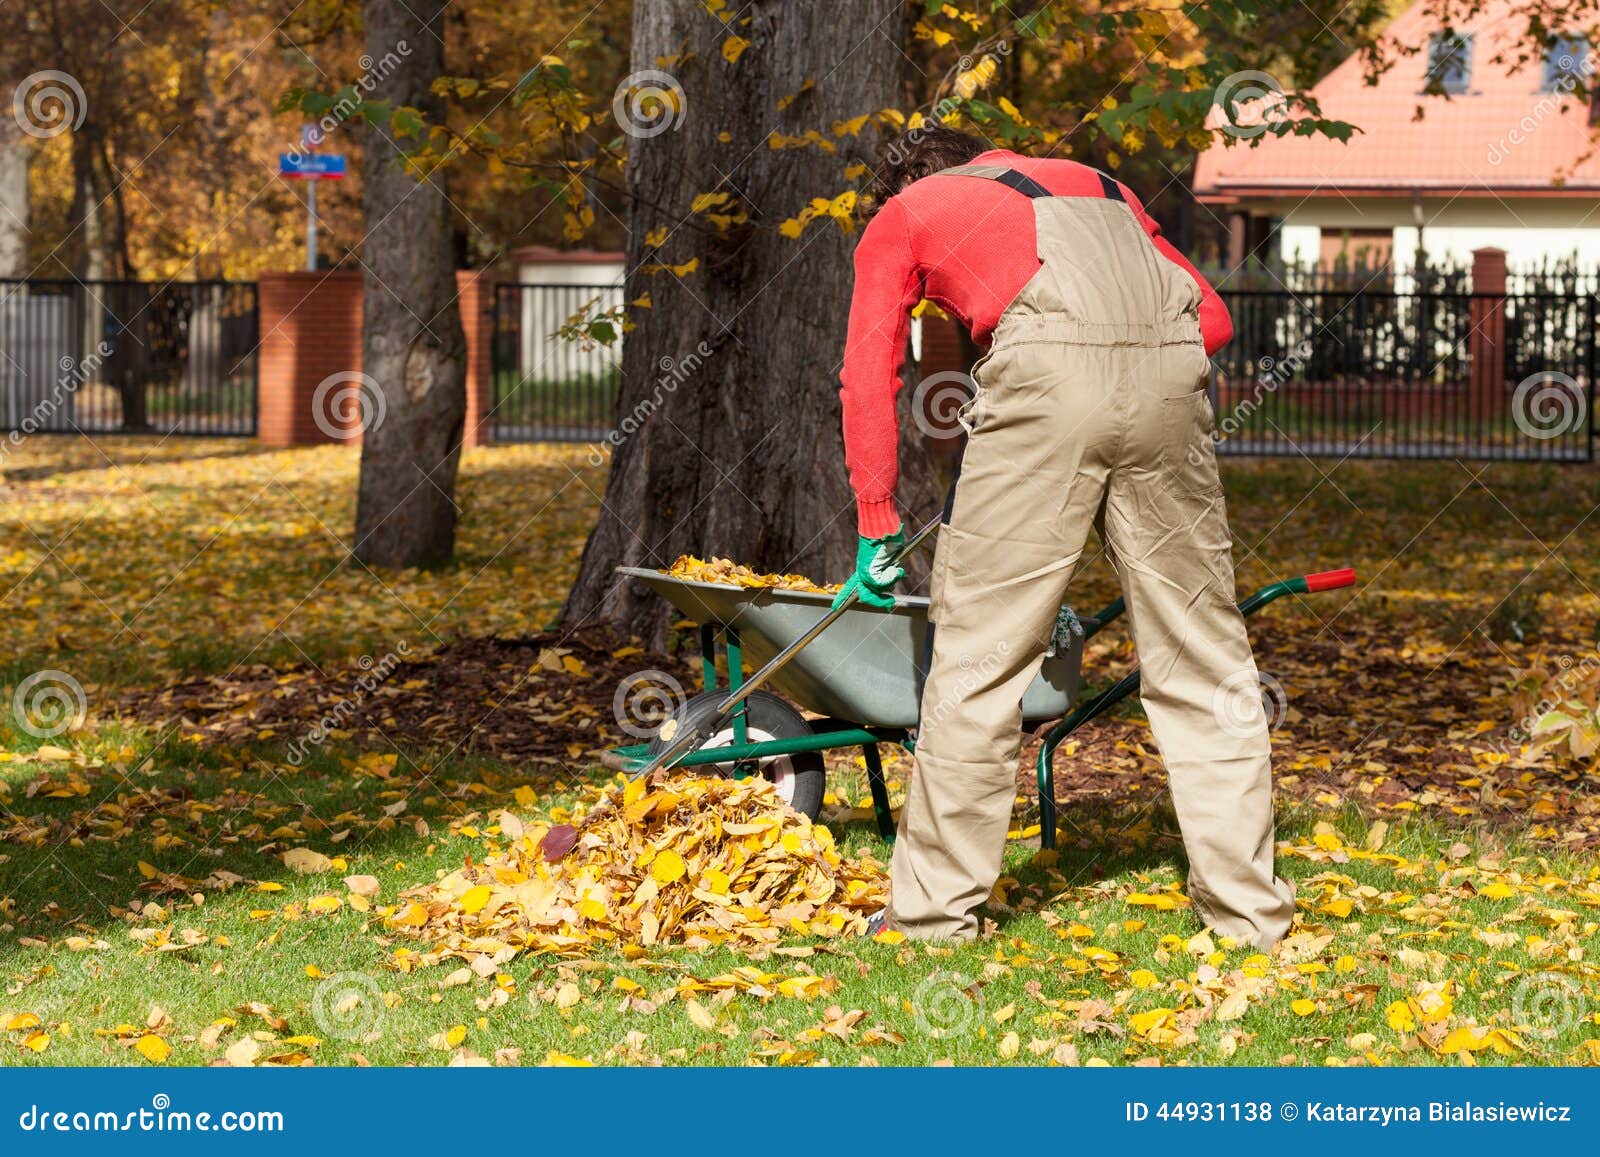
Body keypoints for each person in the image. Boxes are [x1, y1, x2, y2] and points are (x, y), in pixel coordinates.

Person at [834, 126, 1295, 949]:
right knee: (1205, 655)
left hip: (1046, 383)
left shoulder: (904, 213)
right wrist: (1129, 377)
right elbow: (1212, 319)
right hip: (1169, 382)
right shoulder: (1101, 185)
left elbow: (868, 368)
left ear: (908, 180)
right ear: (986, 155)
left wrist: (877, 519)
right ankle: (1251, 916)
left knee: (980, 661)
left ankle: (932, 919)